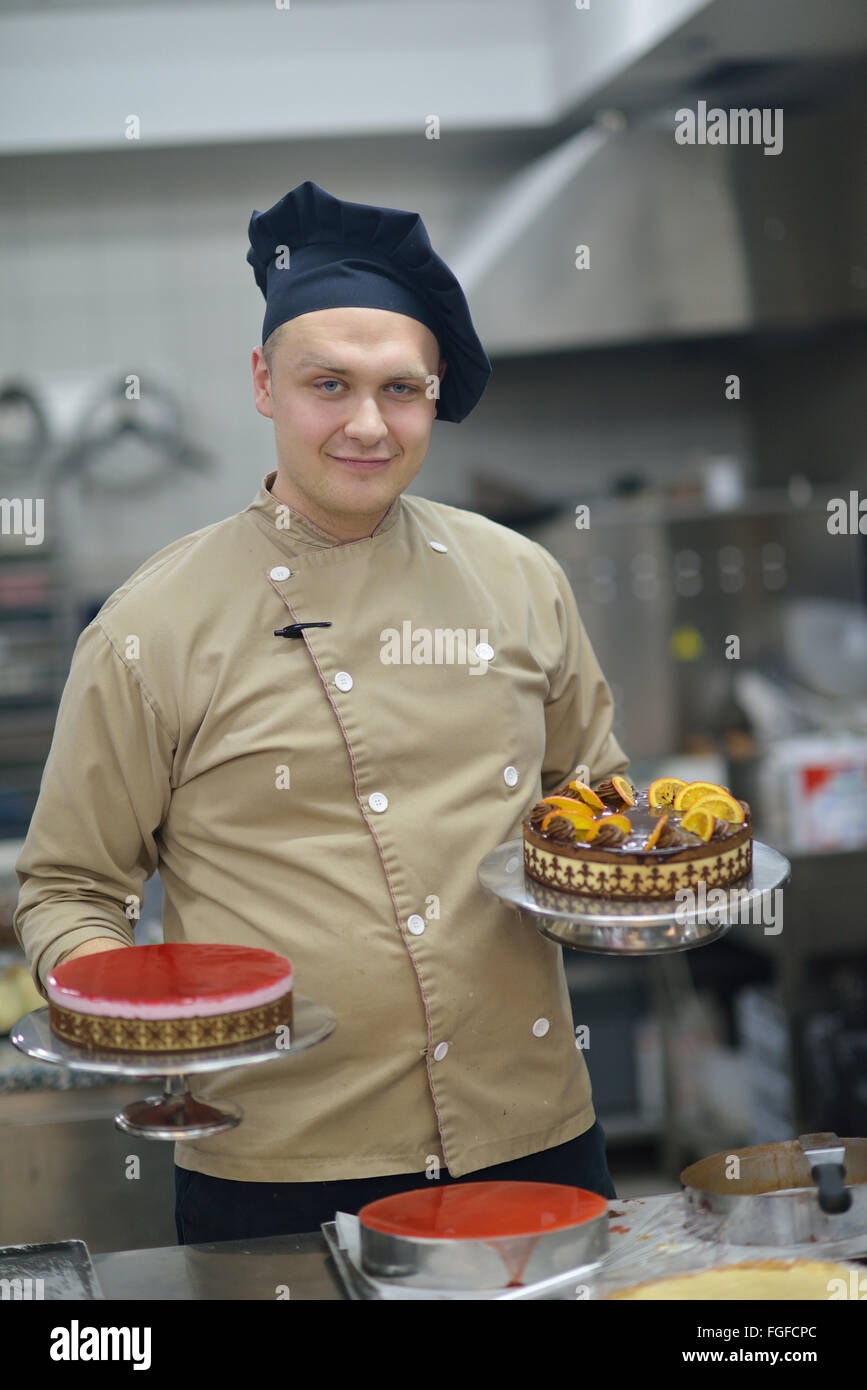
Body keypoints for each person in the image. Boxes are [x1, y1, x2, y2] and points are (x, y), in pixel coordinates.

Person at [14, 181, 630, 1244]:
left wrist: (628, 894)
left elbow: (597, 809)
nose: (365, 423)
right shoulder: (151, 626)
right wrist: (135, 1023)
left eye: (402, 390)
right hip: (279, 1163)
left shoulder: (521, 578)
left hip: (533, 1134)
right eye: (327, 384)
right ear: (263, 381)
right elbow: (71, 887)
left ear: (434, 395)